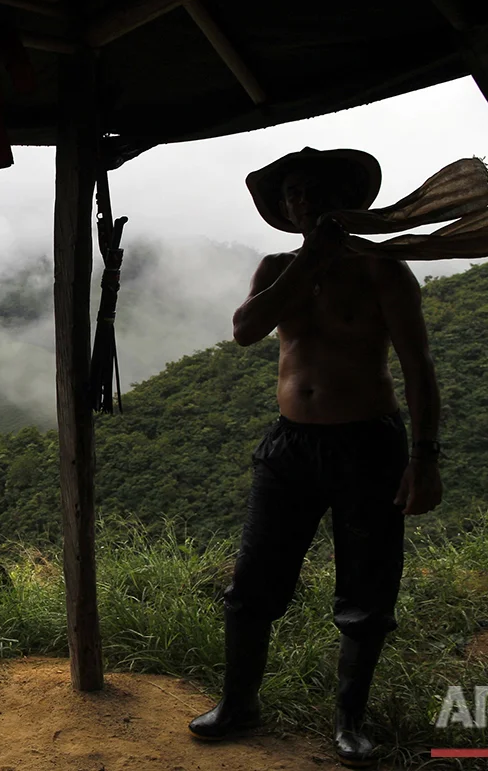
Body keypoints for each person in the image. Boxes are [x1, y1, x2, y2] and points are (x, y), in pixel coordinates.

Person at [188, 148, 443, 767]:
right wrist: (309, 260)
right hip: (289, 446)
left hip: (368, 443)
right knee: (253, 583)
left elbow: (418, 368)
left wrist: (425, 457)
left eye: (312, 190)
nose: (301, 201)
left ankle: (349, 721)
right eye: (292, 193)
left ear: (339, 200)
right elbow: (247, 329)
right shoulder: (278, 267)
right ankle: (238, 704)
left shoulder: (382, 271)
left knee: (367, 587)